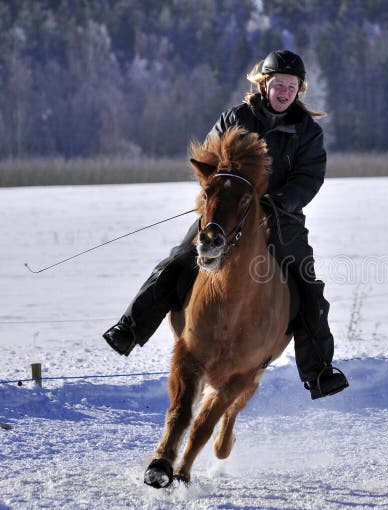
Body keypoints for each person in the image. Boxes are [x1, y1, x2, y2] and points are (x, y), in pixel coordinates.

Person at [102, 50, 348, 400]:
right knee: (178, 259)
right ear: (264, 85)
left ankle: (319, 371)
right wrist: (226, 192)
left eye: (291, 87)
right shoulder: (236, 118)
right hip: (227, 213)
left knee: (307, 283)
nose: (284, 92)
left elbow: (310, 177)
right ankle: (130, 328)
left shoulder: (307, 132)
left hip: (280, 217)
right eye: (279, 85)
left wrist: (279, 201)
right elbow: (209, 157)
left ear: (299, 90)